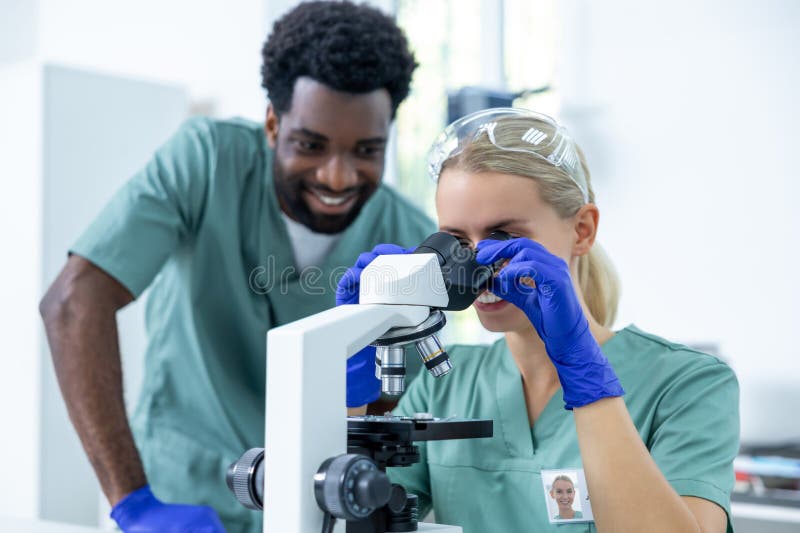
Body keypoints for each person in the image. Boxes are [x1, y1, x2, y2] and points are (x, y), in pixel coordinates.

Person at [38, 2, 434, 532]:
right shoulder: (206, 161)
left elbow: (390, 412)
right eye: (310, 145)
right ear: (273, 124)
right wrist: (133, 504)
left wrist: (368, 392)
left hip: (314, 512)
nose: (338, 177)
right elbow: (73, 302)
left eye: (367, 150)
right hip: (178, 497)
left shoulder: (404, 235)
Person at [339, 108, 739, 532]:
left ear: (582, 230)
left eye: (505, 237)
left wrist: (585, 373)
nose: (475, 264)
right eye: (456, 241)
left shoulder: (689, 385)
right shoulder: (450, 384)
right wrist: (343, 384)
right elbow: (350, 517)